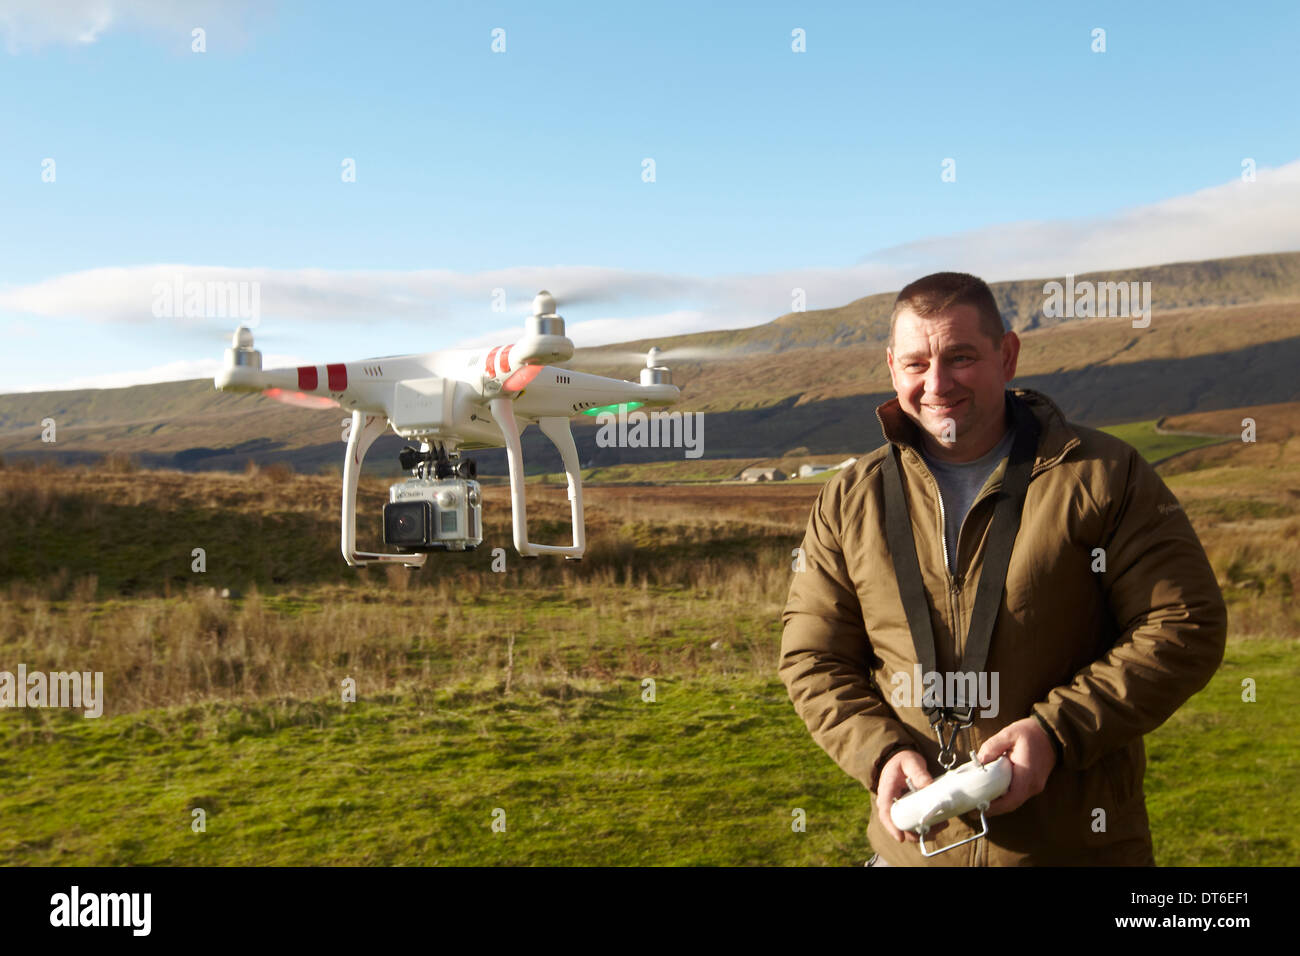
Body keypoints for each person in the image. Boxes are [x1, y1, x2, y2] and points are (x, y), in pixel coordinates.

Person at [779, 271, 1227, 866]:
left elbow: (1184, 624)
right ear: (892, 367)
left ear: (1007, 355)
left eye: (960, 357)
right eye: (916, 364)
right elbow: (813, 657)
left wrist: (1055, 733)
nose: (937, 384)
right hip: (915, 855)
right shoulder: (849, 498)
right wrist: (880, 753)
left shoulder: (1104, 475)